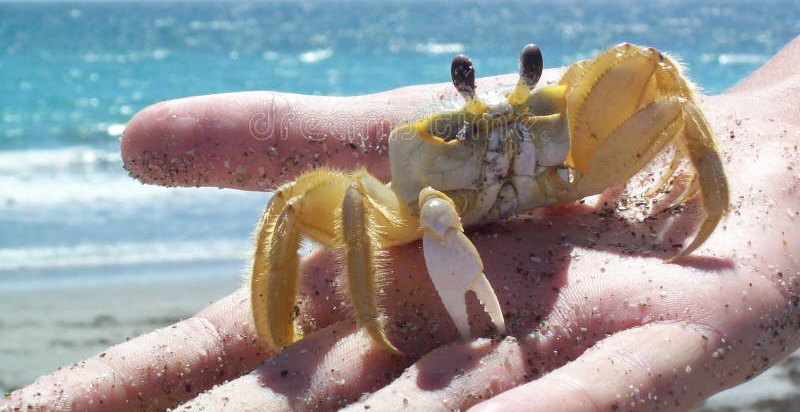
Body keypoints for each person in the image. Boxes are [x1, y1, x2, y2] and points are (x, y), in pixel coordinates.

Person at [4, 37, 800, 411]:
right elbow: (315, 207)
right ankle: (296, 329)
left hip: (563, 180)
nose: (502, 145)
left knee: (650, 75)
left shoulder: (559, 135)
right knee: (304, 201)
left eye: (532, 95)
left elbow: (659, 88)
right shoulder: (401, 185)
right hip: (425, 220)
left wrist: (760, 139)